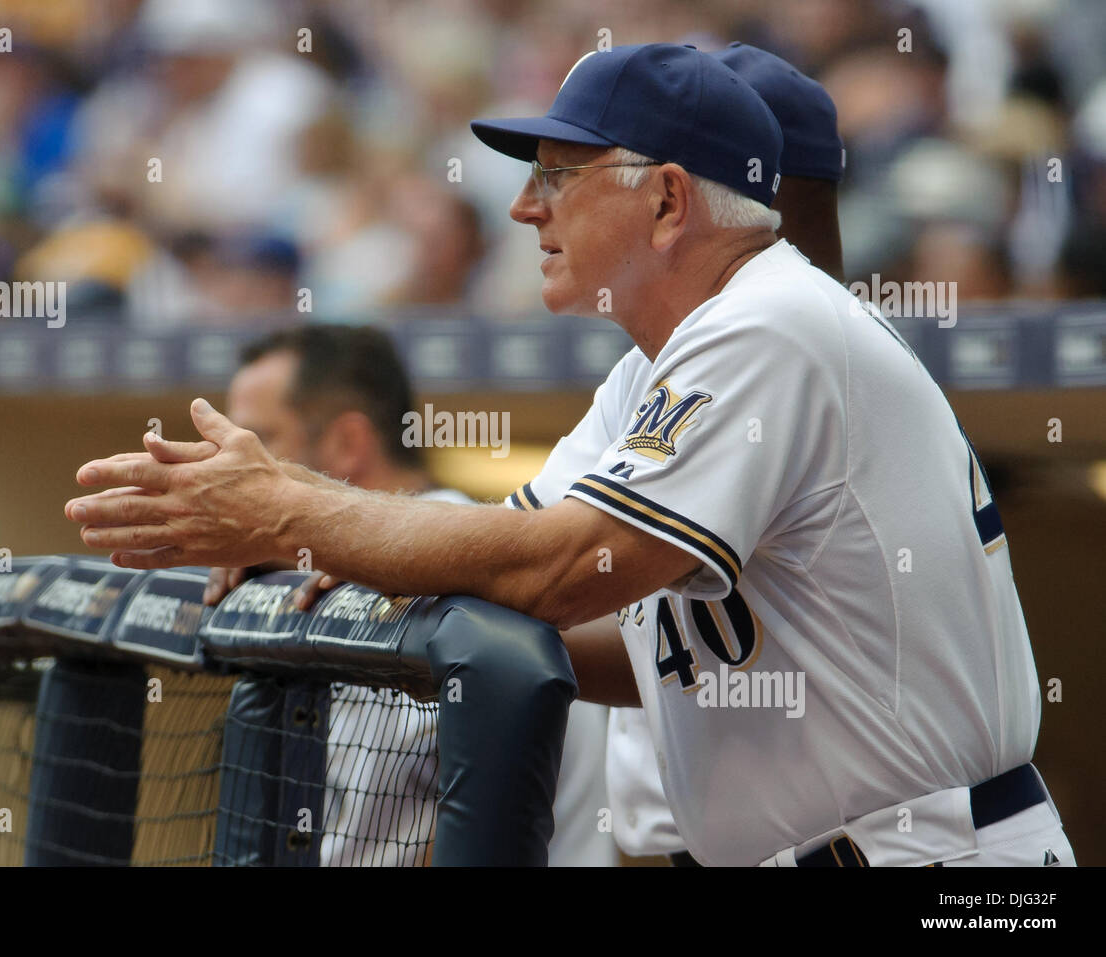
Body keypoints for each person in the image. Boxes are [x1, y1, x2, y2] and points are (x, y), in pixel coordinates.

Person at [66, 44, 1073, 866]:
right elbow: (515, 559)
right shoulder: (654, 370)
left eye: (558, 173)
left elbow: (553, 573)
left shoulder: (769, 323)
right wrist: (300, 512)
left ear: (669, 203)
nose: (524, 206)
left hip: (934, 864)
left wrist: (290, 515)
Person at [203, 323, 617, 866]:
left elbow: (431, 836)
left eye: (259, 444)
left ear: (348, 443)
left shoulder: (463, 574)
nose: (233, 473)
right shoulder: (321, 576)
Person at [599, 41, 848, 866]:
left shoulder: (786, 340)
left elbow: (556, 570)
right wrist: (377, 564)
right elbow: (543, 563)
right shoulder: (659, 363)